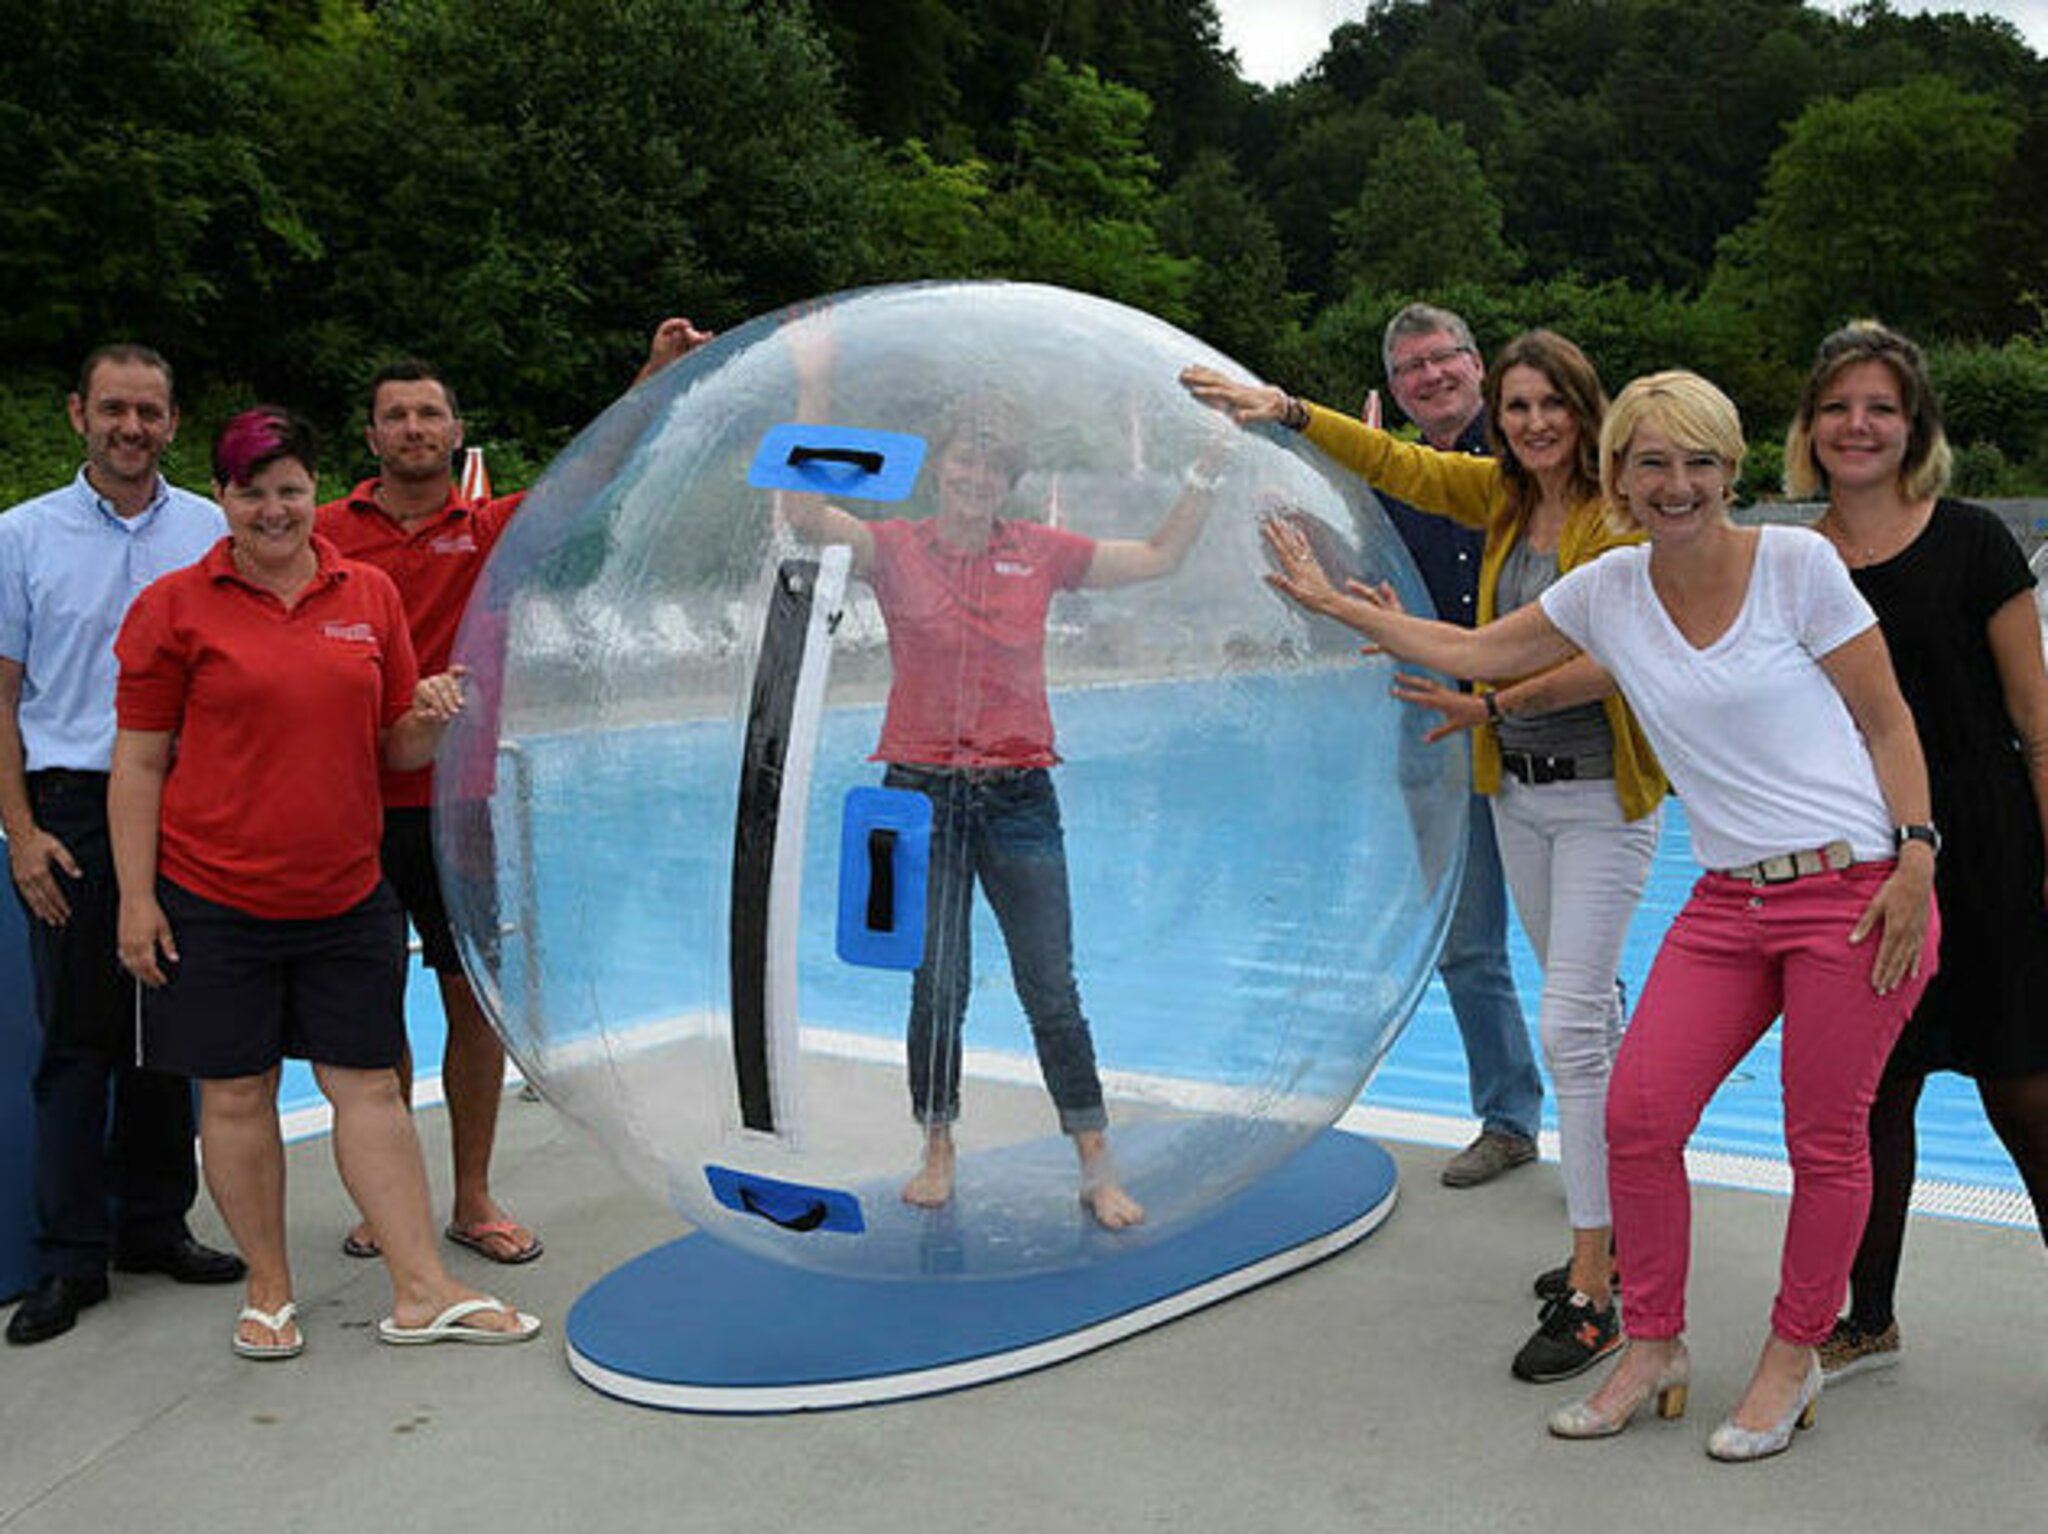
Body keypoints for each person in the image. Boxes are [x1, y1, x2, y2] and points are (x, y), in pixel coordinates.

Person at [1252, 369, 1937, 1461]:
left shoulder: (1795, 566)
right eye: (1650, 463)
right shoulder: (1608, 589)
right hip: (1726, 898)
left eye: (1699, 462)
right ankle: (1652, 1341)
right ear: (1615, 475)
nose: (1676, 485)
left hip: (1851, 891)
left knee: (1822, 1138)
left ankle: (1790, 1353)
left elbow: (1886, 719)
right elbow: (1481, 653)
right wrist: (1342, 608)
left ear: (1730, 470)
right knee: (1636, 1116)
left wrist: (1914, 857)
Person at [1184, 332, 1667, 1385]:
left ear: (1583, 410)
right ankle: (1624, 1229)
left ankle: (1599, 1283)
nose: (1534, 423)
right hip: (1517, 796)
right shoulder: (1500, 496)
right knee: (1588, 1016)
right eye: (1519, 406)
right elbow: (1399, 466)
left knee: (1572, 1024)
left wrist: (1489, 697)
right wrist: (1289, 409)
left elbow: (1600, 660)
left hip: (1596, 801)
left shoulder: (1614, 513)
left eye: (1551, 405)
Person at [109, 408, 538, 1358]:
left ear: (315, 493)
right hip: (213, 895)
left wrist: (427, 722)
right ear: (220, 498)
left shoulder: (369, 593)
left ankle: (422, 1287)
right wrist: (137, 900)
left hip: (347, 887)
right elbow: (138, 764)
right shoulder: (173, 609)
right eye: (251, 491)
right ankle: (268, 1290)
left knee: (371, 1091)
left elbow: (391, 743)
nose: (273, 510)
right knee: (234, 1096)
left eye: (290, 489)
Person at [783, 320, 1224, 1229]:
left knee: (1049, 985)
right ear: (938, 468)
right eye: (963, 463)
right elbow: (800, 514)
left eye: (993, 469)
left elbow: (1160, 558)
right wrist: (816, 381)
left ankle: (1096, 1163)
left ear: (1008, 481)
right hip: (920, 794)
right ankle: (936, 1146)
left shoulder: (1041, 551)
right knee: (935, 981)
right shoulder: (896, 550)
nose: (976, 480)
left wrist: (1208, 467)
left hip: (1021, 794)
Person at [317, 319, 710, 1264]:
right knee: (373, 1018)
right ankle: (389, 1192)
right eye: (395, 416)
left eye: (429, 414)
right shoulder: (325, 532)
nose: (413, 428)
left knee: (471, 1004)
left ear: (456, 433)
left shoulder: (493, 532)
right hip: (355, 808)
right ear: (370, 438)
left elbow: (595, 473)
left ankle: (473, 1195)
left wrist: (651, 378)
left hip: (462, 806)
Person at [1784, 322, 2048, 1381]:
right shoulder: (1792, 561)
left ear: (1911, 428)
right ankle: (1869, 1314)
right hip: (1865, 864)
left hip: (1983, 854)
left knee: (2024, 1094)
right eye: (1838, 406)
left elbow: (2035, 717)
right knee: (1873, 1101)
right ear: (1809, 427)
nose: (1857, 425)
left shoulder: (1975, 540)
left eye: (1879, 407)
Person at [0, 345, 245, 1347]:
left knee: (167, 1037)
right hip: (71, 807)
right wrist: (19, 830)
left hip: (191, 805)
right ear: (77, 415)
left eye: (148, 410)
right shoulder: (21, 536)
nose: (130, 427)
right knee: (77, 1043)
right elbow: (3, 698)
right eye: (113, 409)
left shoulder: (209, 528)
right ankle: (70, 1258)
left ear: (174, 421)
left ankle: (154, 1225)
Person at [1374, 303, 1544, 1190]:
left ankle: (1624, 1122)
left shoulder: (1530, 454)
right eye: (1411, 369)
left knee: (1574, 950)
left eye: (1443, 359)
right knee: (1466, 941)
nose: (1430, 376)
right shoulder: (1386, 476)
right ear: (1397, 390)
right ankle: (1509, 1115)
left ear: (1478, 365)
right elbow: (1358, 592)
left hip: (1538, 715)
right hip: (1433, 721)